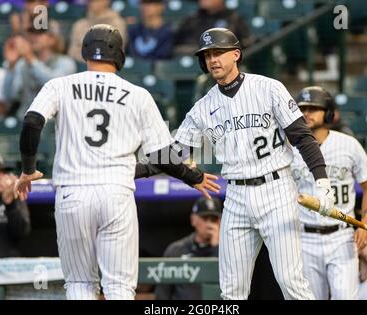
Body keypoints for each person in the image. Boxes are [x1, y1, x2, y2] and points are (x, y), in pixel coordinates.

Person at [13, 24, 220, 300]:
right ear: (119, 54)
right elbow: (162, 156)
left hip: (72, 193)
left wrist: (28, 170)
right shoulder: (138, 95)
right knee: (120, 287)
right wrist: (193, 177)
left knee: (79, 284)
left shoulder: (60, 84)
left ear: (85, 51)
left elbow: (31, 122)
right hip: (116, 193)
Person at [137, 28, 335, 300]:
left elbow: (302, 136)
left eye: (218, 52)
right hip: (237, 196)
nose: (212, 60)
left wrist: (322, 181)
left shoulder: (268, 88)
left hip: (276, 189)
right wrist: (131, 170)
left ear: (236, 54)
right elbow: (173, 154)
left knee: (291, 282)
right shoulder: (202, 108)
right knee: (231, 291)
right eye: (207, 55)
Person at [291, 86, 367, 300]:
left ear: (328, 112)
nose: (306, 113)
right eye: (302, 108)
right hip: (304, 237)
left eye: (313, 108)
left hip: (341, 236)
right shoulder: (288, 148)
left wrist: (365, 224)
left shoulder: (348, 144)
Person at [155, 196, 221, 300]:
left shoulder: (227, 252)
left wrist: (217, 248)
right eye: (205, 218)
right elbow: (162, 294)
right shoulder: (176, 250)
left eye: (213, 220)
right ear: (193, 220)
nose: (209, 224)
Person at [3, 27, 76, 119]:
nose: (33, 37)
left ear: (52, 39)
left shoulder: (65, 62)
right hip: (26, 120)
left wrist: (30, 59)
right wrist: (11, 66)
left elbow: (54, 86)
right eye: (31, 33)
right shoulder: (22, 64)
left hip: (53, 123)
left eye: (39, 33)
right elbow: (10, 97)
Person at [173, 0, 253, 55]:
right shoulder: (191, 20)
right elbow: (175, 46)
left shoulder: (233, 19)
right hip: (193, 63)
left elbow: (245, 46)